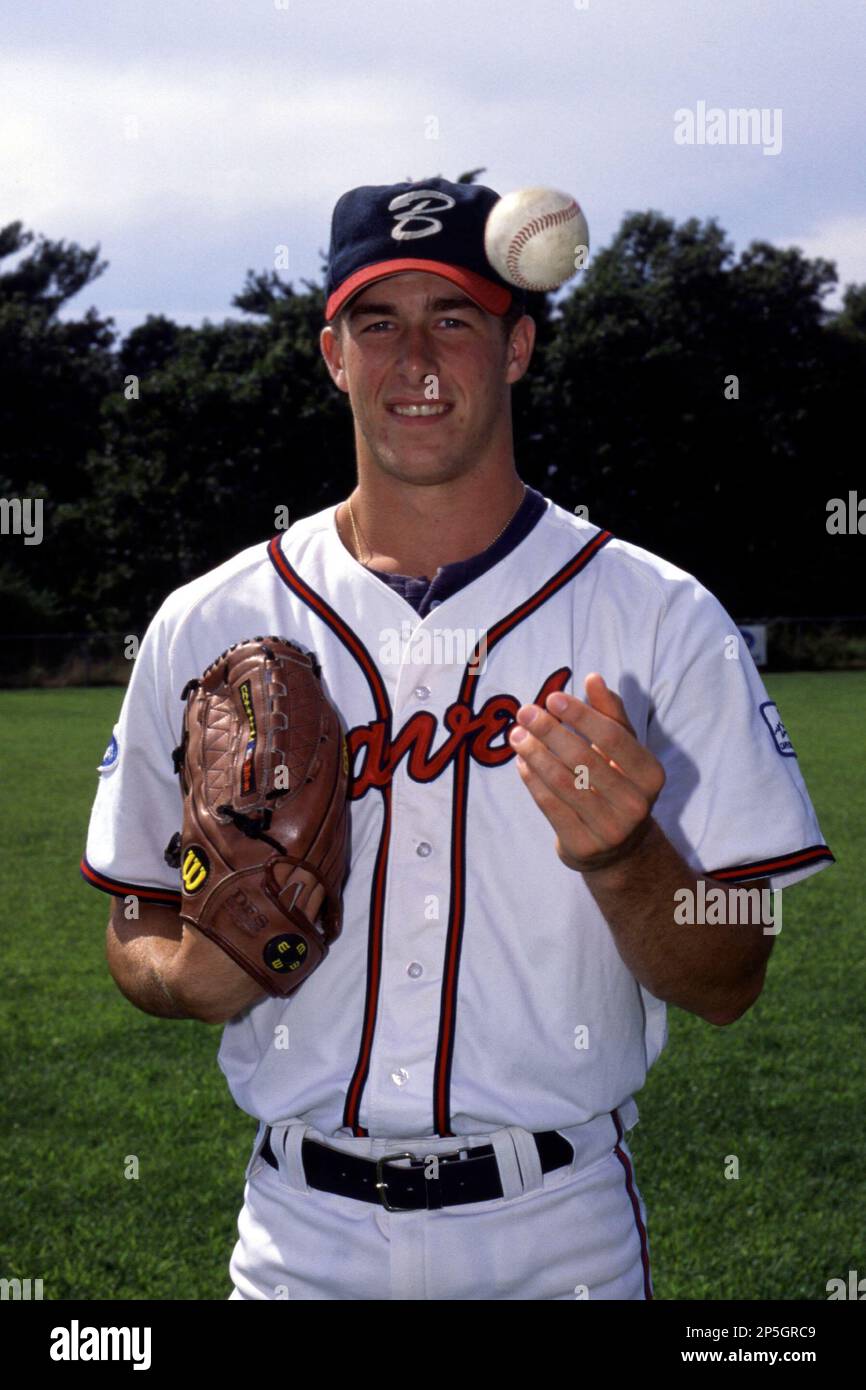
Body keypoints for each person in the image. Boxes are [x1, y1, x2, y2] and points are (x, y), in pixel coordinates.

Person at [81, 176, 833, 1301]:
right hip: (300, 1241)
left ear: (517, 346)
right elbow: (134, 903)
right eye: (377, 322)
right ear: (332, 354)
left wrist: (629, 862)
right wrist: (184, 975)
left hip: (557, 1236)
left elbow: (729, 978)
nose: (415, 359)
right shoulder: (212, 621)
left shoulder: (657, 617)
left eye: (456, 320)